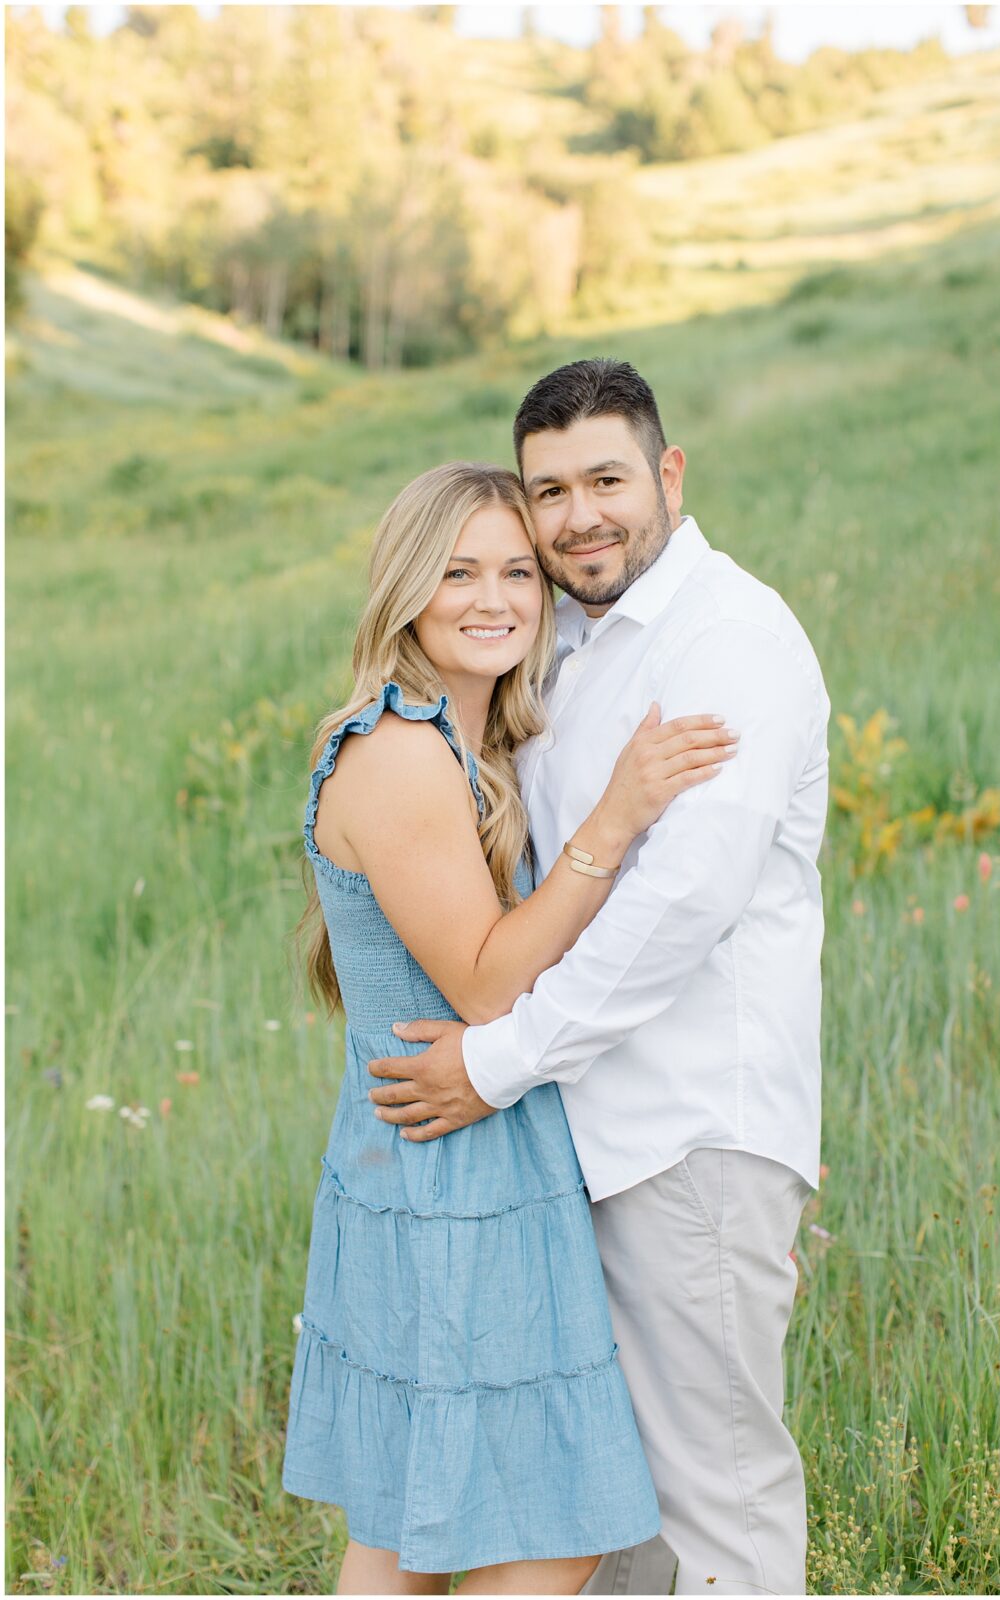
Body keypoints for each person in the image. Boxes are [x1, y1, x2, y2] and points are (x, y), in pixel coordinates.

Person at [368, 360, 831, 1596]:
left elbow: (680, 908)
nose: (579, 516)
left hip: (680, 1139)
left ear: (667, 475)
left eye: (607, 480)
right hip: (577, 1145)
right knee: (602, 1516)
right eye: (550, 491)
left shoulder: (726, 641)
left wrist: (496, 1061)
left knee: (714, 1514)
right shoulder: (564, 636)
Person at [281, 459, 740, 1596]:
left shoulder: (465, 748)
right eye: (457, 572)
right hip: (449, 1179)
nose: (493, 598)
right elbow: (488, 985)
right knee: (547, 1525)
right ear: (405, 591)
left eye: (516, 573)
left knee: (409, 1522)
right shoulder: (397, 755)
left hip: (459, 1158)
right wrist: (616, 815)